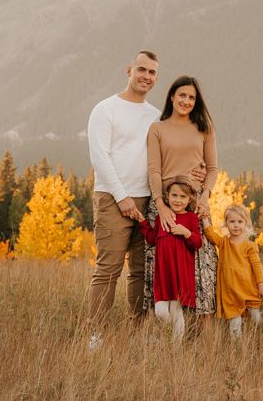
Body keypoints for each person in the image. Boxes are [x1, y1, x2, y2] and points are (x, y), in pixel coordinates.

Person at [85, 52, 204, 352]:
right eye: (142, 69)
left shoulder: (155, 116)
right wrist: (122, 197)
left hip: (150, 202)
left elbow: (169, 154)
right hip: (113, 198)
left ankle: (136, 331)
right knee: (108, 269)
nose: (146, 76)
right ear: (129, 70)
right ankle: (95, 334)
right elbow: (100, 157)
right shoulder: (105, 109)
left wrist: (195, 170)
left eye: (152, 72)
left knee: (141, 271)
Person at [145, 75, 219, 319]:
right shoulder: (157, 129)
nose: (187, 101)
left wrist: (205, 197)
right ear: (171, 96)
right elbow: (154, 170)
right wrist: (160, 205)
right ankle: (164, 328)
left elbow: (212, 169)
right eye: (182, 95)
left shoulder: (204, 128)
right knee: (163, 267)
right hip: (164, 203)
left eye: (192, 97)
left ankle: (204, 332)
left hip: (195, 205)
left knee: (203, 265)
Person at [139, 177, 202, 341]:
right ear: (167, 196)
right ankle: (168, 332)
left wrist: (186, 232)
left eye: (183, 197)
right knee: (160, 311)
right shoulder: (161, 217)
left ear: (190, 199)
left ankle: (176, 347)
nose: (178, 200)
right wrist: (142, 222)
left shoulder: (191, 218)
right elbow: (152, 239)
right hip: (163, 273)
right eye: (174, 195)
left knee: (176, 311)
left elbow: (197, 242)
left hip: (180, 273)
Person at [203, 204, 263, 339]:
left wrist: (261, 285)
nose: (236, 225)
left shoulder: (249, 246)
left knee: (257, 318)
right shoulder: (224, 243)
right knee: (234, 325)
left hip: (248, 290)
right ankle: (238, 349)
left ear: (246, 223)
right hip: (230, 293)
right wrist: (204, 218)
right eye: (232, 221)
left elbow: (257, 266)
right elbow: (210, 234)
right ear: (226, 224)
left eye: (240, 222)